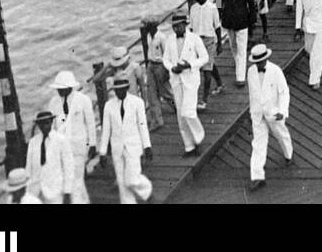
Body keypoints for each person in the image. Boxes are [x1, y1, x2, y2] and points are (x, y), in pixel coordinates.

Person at [246, 44, 292, 191]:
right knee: (258, 143)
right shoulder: (251, 72)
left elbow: (284, 92)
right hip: (258, 114)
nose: (258, 64)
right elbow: (252, 94)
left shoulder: (276, 71)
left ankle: (288, 154)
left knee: (281, 134)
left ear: (266, 59)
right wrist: (252, 112)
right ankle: (257, 176)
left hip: (274, 113)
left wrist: (283, 111)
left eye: (261, 61)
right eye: (256, 62)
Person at [99, 76, 152, 204]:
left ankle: (147, 190)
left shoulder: (137, 102)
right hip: (117, 148)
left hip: (133, 146)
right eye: (116, 90)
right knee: (122, 182)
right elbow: (106, 130)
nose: (119, 92)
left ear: (127, 88)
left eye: (122, 89)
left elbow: (142, 125)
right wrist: (102, 152)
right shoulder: (109, 106)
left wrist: (147, 146)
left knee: (132, 180)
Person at [163, 10, 209, 156]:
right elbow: (166, 59)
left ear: (185, 25)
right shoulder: (169, 40)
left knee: (188, 111)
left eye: (178, 26)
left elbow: (204, 58)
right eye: (174, 27)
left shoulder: (195, 39)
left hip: (190, 79)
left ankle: (199, 138)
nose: (176, 29)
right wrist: (172, 68)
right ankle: (188, 145)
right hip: (176, 80)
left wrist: (189, 65)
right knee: (181, 116)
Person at [47, 69, 96, 204]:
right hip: (61, 149)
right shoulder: (53, 103)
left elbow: (90, 123)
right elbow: (51, 127)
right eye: (58, 89)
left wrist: (92, 143)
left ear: (70, 88)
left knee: (76, 180)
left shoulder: (83, 100)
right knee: (71, 179)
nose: (59, 91)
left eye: (62, 89)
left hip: (79, 148)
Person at [219, 0, 257, 87]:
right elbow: (219, 4)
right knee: (233, 47)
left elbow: (251, 4)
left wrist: (252, 21)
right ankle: (239, 67)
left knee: (241, 49)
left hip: (242, 22)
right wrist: (221, 17)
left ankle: (240, 77)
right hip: (229, 22)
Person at [26, 108, 74, 204]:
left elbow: (69, 167)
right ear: (38, 125)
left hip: (55, 190)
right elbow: (29, 167)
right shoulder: (33, 142)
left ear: (51, 122)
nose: (44, 126)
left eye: (46, 123)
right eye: (41, 124)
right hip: (35, 191)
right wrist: (27, 191)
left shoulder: (61, 140)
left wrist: (67, 192)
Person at [188, 0, 224, 106]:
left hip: (209, 40)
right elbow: (192, 28)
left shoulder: (212, 8)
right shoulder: (193, 9)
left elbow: (217, 27)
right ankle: (219, 84)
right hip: (197, 41)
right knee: (208, 64)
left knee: (206, 71)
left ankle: (204, 100)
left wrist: (219, 43)